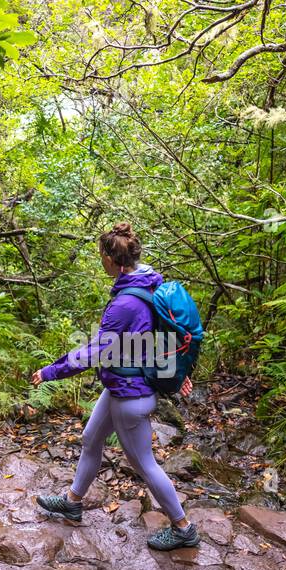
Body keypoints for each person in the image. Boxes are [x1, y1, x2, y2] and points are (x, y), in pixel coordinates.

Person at [32, 223, 199, 550]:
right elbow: (160, 336)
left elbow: (95, 351)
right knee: (91, 438)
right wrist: (177, 372)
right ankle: (73, 501)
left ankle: (183, 528)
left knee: (144, 464)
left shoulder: (125, 304)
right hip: (120, 384)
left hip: (131, 395)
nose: (100, 262)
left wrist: (51, 371)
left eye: (102, 257)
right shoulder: (151, 282)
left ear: (114, 260)